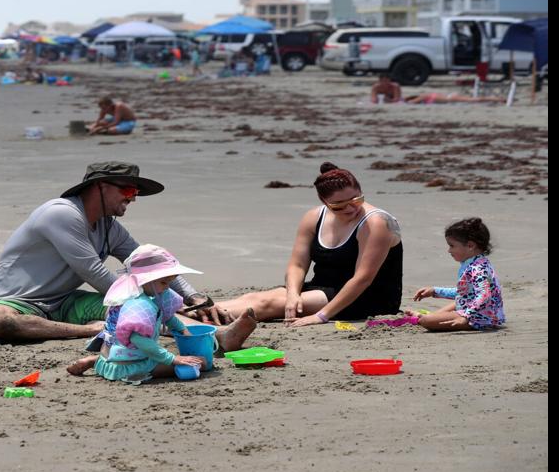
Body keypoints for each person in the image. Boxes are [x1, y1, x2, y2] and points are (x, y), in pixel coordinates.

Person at [0, 161, 255, 353]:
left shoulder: (109, 228)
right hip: (18, 303)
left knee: (144, 306)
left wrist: (192, 299)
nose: (133, 199)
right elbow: (94, 273)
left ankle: (219, 336)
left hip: (65, 303)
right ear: (100, 187)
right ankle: (86, 331)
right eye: (128, 190)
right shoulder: (60, 213)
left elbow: (152, 263)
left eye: (136, 194)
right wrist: (150, 298)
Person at [188, 163, 403, 327]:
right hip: (323, 287)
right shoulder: (313, 217)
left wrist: (321, 316)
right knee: (256, 297)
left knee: (268, 305)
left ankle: (193, 321)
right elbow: (297, 265)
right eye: (339, 205)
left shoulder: (376, 223)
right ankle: (192, 313)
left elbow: (362, 279)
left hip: (367, 297)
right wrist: (292, 294)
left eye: (356, 200)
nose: (350, 209)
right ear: (325, 203)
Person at [65, 245, 205, 383]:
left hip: (115, 356)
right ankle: (95, 362)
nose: (167, 287)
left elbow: (167, 316)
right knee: (200, 363)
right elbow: (139, 339)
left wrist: (182, 329)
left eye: (170, 282)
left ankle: (96, 361)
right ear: (146, 279)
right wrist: (172, 359)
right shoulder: (138, 305)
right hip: (128, 366)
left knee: (187, 360)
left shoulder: (133, 292)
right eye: (164, 282)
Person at [411, 218, 505, 331]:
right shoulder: (474, 262)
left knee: (426, 321)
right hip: (478, 309)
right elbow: (464, 293)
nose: (449, 250)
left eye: (452, 246)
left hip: (482, 316)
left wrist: (466, 316)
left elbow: (484, 296)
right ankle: (434, 316)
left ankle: (462, 321)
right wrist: (434, 291)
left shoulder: (478, 269)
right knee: (456, 302)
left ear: (470, 246)